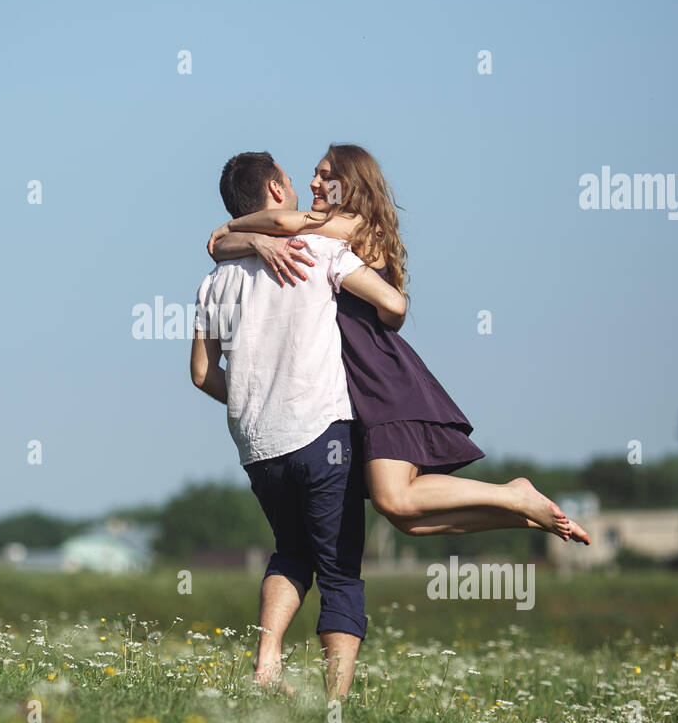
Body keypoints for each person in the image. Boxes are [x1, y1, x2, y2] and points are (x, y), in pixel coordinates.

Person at [209, 143, 590, 545]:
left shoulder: (352, 224)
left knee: (395, 499)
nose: (312, 181)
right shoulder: (318, 228)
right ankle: (525, 515)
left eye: (324, 175)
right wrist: (247, 239)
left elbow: (269, 230)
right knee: (407, 518)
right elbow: (225, 248)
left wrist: (234, 229)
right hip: (357, 387)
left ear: (348, 183)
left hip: (379, 376)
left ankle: (513, 494)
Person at [191, 151, 407, 700]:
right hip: (322, 431)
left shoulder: (214, 281)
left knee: (291, 549)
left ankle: (267, 663)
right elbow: (392, 302)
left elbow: (200, 374)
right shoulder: (318, 245)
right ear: (276, 186)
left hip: (257, 444)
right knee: (339, 568)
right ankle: (335, 707)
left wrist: (246, 399)